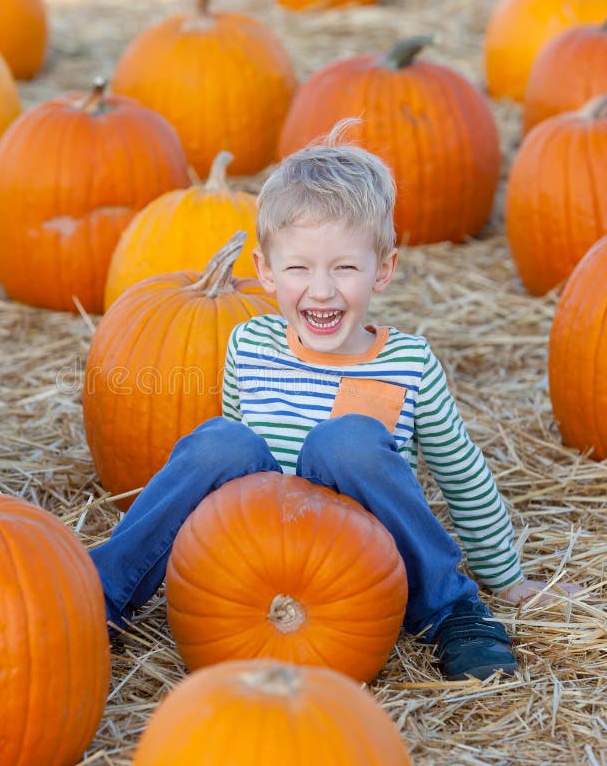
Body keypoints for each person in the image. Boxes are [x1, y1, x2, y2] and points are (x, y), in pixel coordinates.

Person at [89, 121, 583, 680]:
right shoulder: (247, 345)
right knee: (219, 442)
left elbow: (460, 473)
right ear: (266, 273)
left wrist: (507, 575)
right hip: (258, 561)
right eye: (299, 268)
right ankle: (100, 595)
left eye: (345, 267)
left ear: (385, 269)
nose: (321, 290)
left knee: (345, 443)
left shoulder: (409, 365)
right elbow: (230, 465)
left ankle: (451, 609)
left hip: (357, 568)